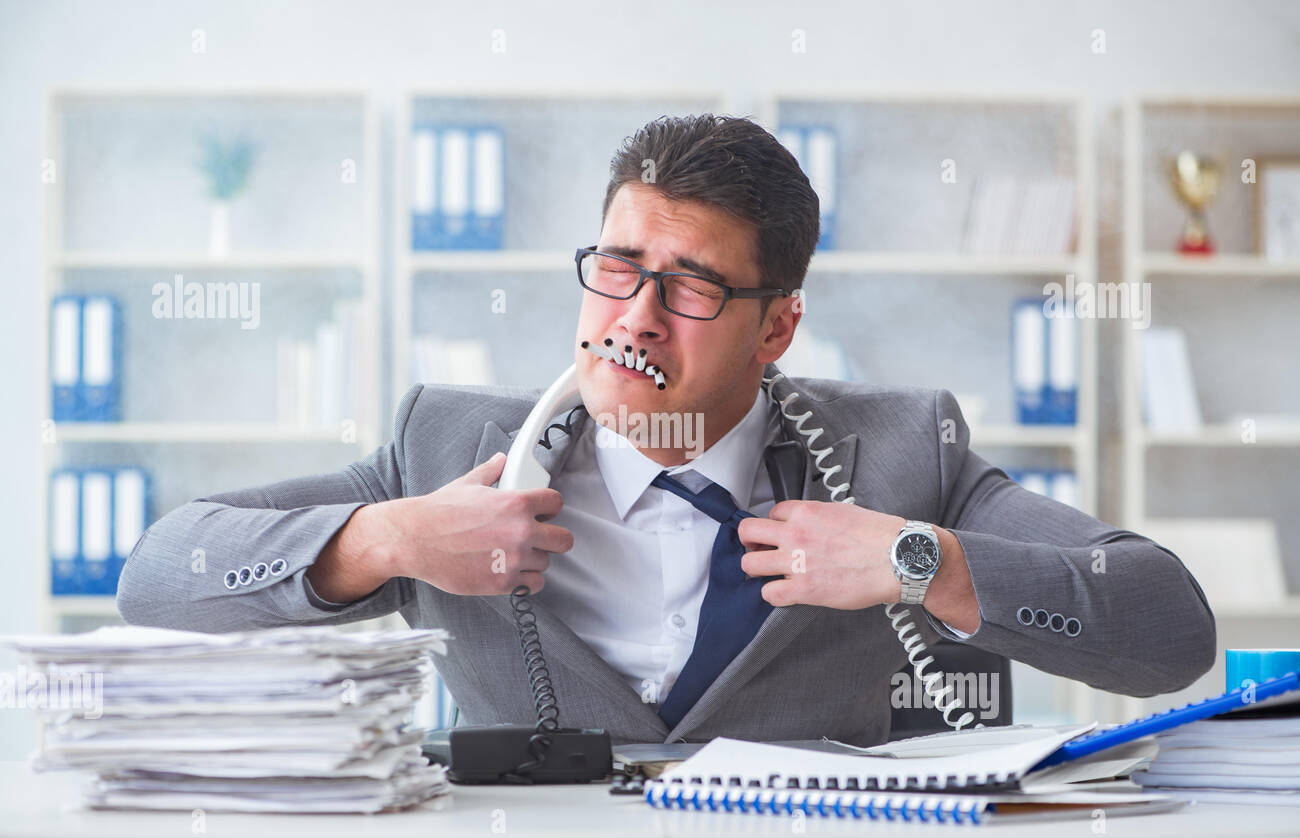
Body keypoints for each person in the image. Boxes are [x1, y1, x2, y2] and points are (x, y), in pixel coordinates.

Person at [117, 114, 1216, 746]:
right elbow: (158, 574)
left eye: (690, 287)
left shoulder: (902, 456)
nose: (634, 317)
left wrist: (912, 559)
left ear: (776, 325)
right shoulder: (446, 452)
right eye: (618, 269)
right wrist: (387, 543)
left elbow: (1168, 629)